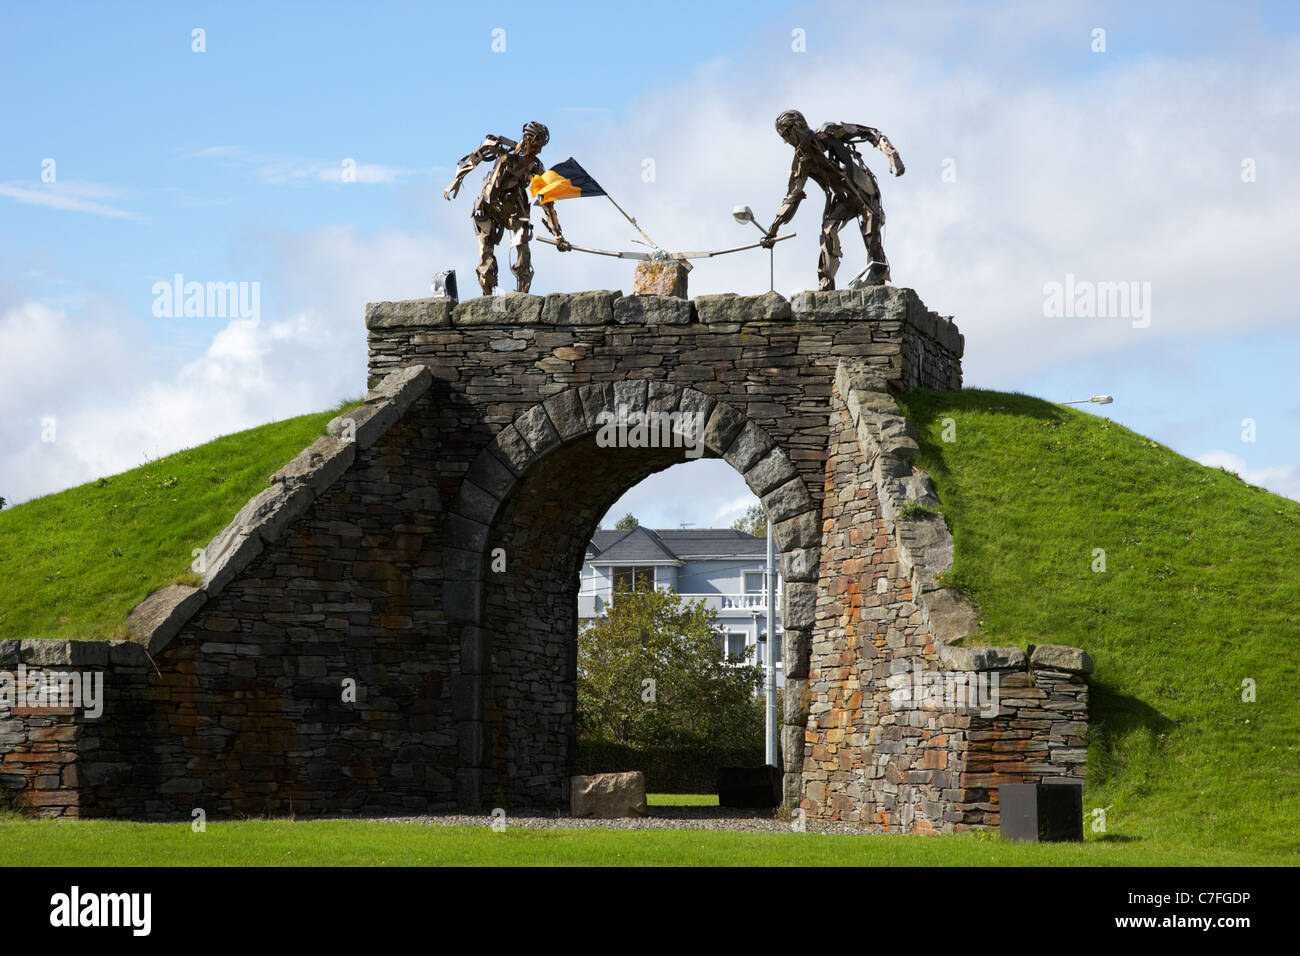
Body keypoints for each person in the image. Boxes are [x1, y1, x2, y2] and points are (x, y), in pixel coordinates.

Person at [761, 109, 904, 289]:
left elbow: (869, 133)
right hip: (843, 200)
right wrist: (774, 227)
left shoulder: (828, 133)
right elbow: (792, 197)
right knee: (828, 231)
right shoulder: (801, 162)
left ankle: (877, 276)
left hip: (863, 189)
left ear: (797, 126)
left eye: (786, 134)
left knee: (871, 232)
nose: (786, 141)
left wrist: (892, 155)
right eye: (783, 136)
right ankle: (826, 283)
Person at [444, 121, 571, 295]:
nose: (538, 151)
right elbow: (477, 155)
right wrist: (456, 180)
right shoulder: (502, 149)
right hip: (489, 205)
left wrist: (558, 235)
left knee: (523, 246)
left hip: (514, 208)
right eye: (536, 145)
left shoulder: (535, 167)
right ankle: (487, 296)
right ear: (527, 139)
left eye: (540, 147)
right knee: (486, 257)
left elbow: (547, 200)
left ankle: (522, 296)